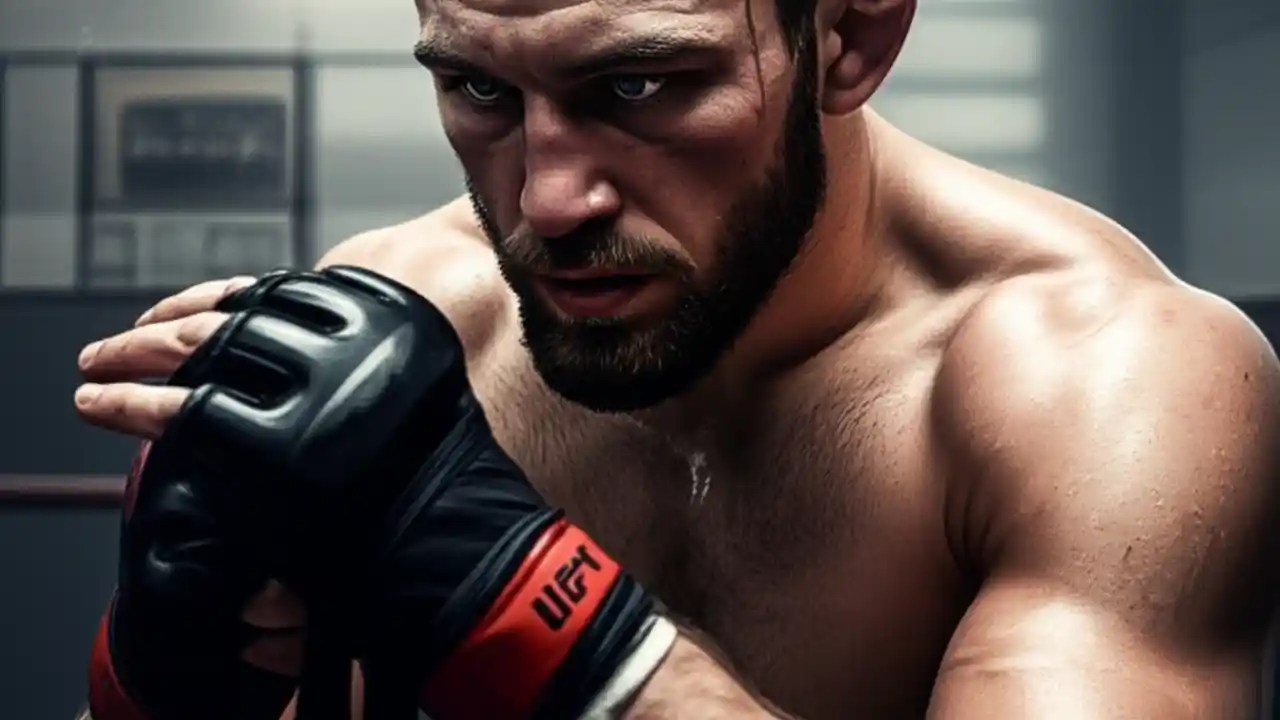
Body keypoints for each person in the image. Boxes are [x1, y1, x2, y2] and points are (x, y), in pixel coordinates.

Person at [73, 0, 1280, 718]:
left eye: (636, 84)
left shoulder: (1105, 382)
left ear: (850, 35)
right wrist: (166, 681)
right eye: (480, 88)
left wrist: (557, 629)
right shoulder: (417, 327)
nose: (547, 201)